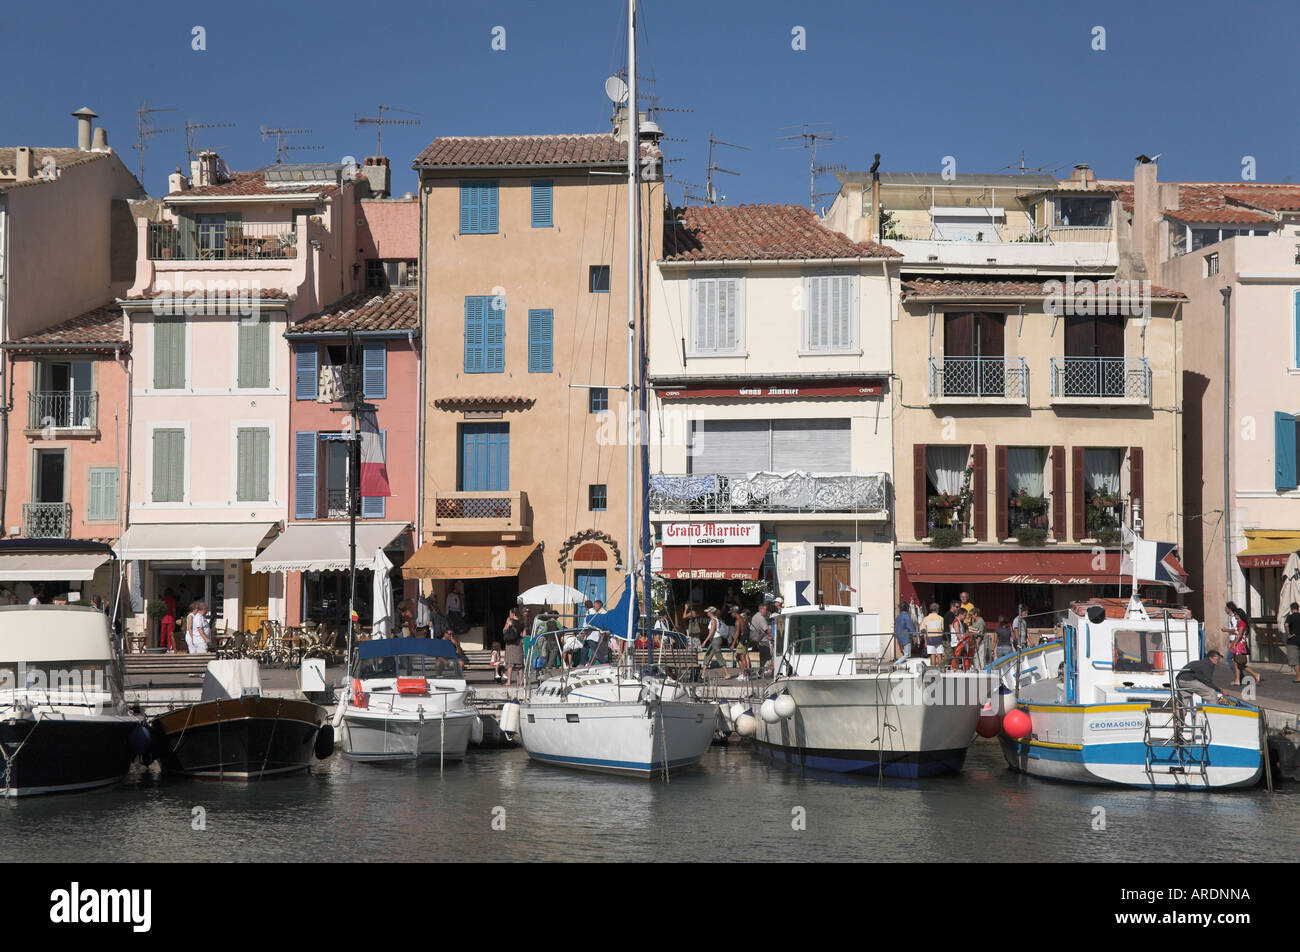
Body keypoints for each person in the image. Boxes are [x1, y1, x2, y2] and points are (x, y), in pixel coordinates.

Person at [1223, 602, 1261, 687]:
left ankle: (1254, 675)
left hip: (1239, 645)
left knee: (1239, 663)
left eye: (1236, 614)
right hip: (1240, 644)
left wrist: (1233, 644)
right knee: (1237, 663)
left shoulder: (1240, 623)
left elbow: (1239, 635)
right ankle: (1238, 680)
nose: (1235, 616)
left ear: (1239, 615)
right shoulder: (1241, 623)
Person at [700, 606, 728, 677]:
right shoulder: (714, 620)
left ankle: (727, 673)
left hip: (716, 640)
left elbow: (711, 632)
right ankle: (702, 674)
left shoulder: (714, 620)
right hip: (714, 640)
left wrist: (705, 641)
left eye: (708, 612)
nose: (707, 613)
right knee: (708, 655)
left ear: (711, 612)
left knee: (718, 656)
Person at [501, 608, 525, 686]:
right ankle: (521, 682)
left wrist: (507, 624)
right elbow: (524, 635)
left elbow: (504, 631)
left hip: (511, 644)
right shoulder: (522, 622)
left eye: (510, 613)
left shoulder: (510, 621)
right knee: (520, 665)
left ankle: (508, 682)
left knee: (510, 664)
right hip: (518, 644)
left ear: (513, 614)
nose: (509, 615)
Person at [750, 603, 774, 675]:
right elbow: (767, 630)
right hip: (763, 640)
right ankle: (774, 672)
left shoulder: (755, 616)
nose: (766, 611)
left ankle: (760, 672)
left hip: (758, 639)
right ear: (761, 609)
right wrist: (776, 630)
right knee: (770, 657)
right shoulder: (761, 618)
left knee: (763, 657)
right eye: (765, 610)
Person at [1285, 602, 1300, 683]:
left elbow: (1286, 625)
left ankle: (1298, 677)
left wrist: (1288, 634)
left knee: (1294, 661)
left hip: (1293, 641)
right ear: (1298, 608)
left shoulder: (1290, 617)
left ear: (1291, 609)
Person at [160, 587, 177, 652]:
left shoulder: (163, 600)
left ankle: (162, 646)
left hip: (163, 619)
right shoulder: (173, 600)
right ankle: (169, 648)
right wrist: (175, 618)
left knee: (162, 634)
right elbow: (173, 610)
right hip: (170, 619)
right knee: (170, 634)